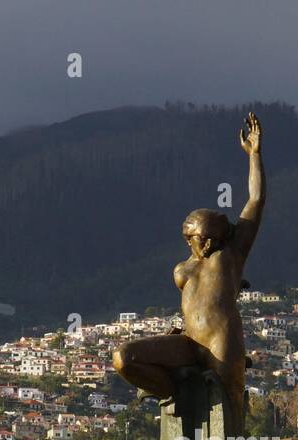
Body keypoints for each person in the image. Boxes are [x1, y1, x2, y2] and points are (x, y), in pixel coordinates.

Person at [112, 111, 266, 419]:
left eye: (192, 237)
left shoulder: (230, 255)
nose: (188, 242)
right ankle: (175, 391)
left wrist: (254, 155)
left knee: (230, 414)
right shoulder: (182, 269)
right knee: (123, 358)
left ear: (208, 241)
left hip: (221, 340)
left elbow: (256, 200)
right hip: (188, 341)